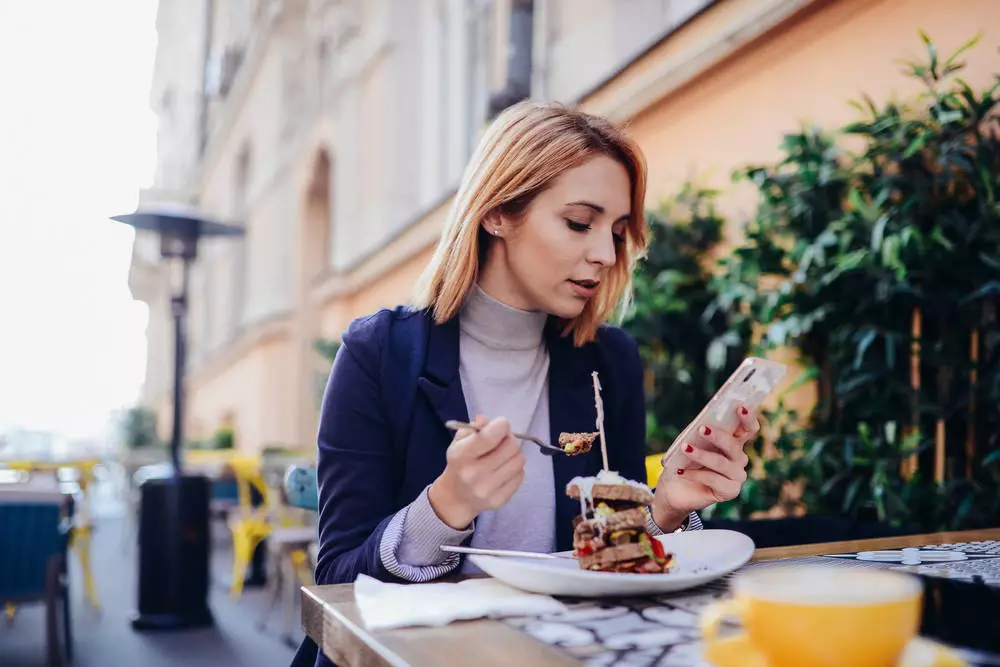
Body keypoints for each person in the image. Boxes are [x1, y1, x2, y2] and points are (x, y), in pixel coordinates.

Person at [291, 100, 758, 667]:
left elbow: (609, 559)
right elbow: (337, 580)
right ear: (497, 214)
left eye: (616, 231)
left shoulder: (606, 361)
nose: (605, 255)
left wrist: (668, 508)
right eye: (579, 223)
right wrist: (446, 506)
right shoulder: (379, 353)